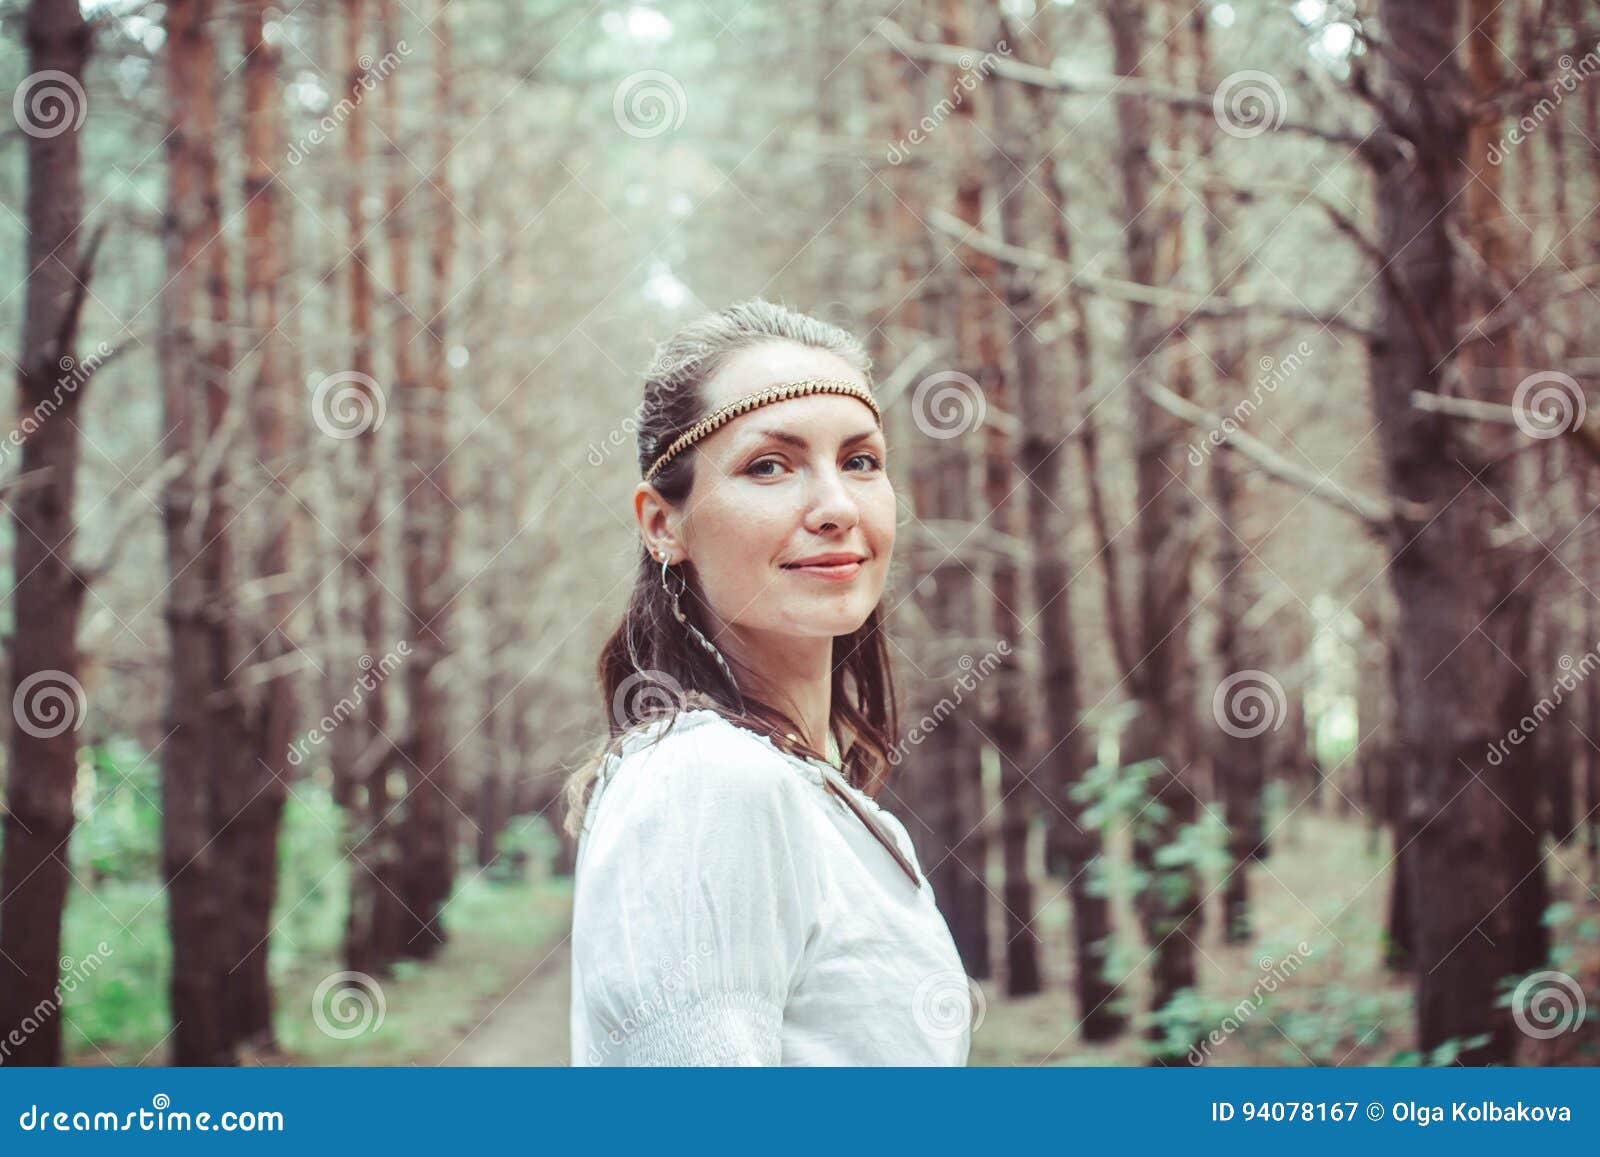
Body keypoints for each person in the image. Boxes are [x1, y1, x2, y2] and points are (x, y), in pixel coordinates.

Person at [564, 299, 974, 1066]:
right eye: (770, 466)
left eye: (860, 461)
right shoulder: (707, 783)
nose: (836, 507)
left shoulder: (798, 786)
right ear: (663, 524)